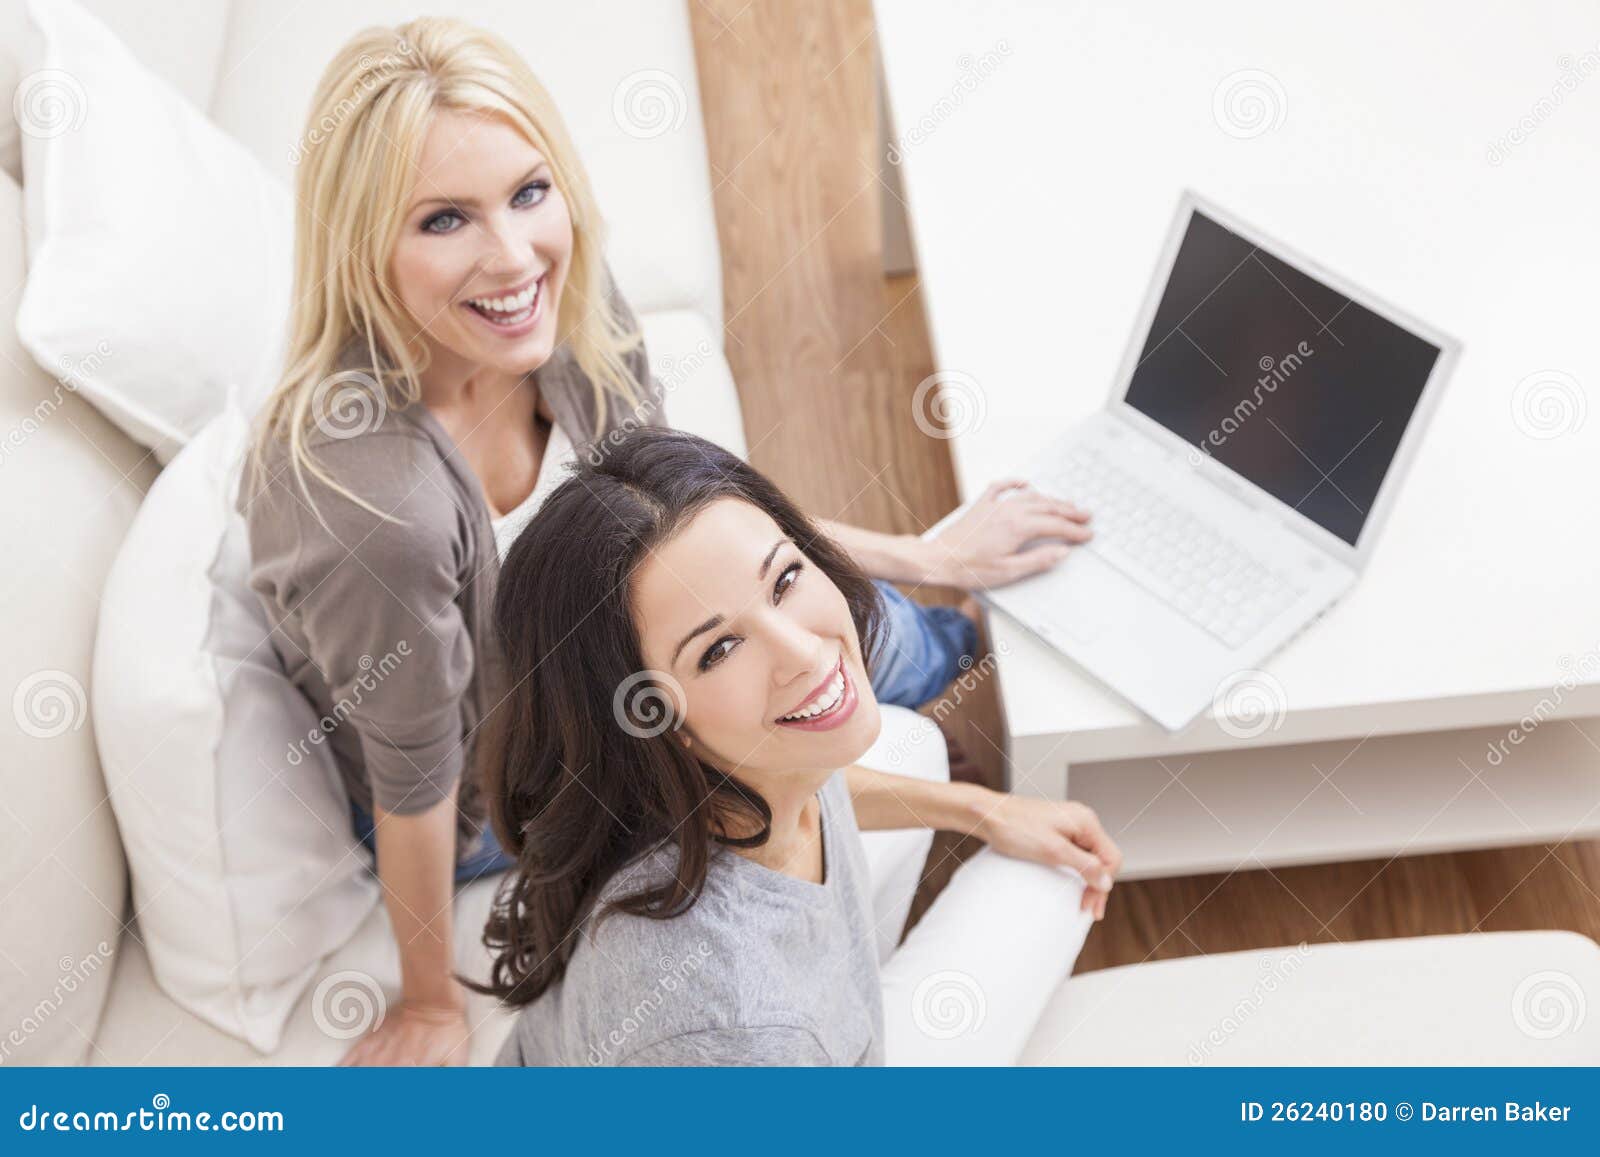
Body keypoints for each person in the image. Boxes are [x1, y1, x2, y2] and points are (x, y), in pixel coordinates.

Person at [238, 16, 1092, 1066]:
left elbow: (690, 532)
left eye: (528, 192)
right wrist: (428, 1000)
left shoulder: (557, 318)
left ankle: (953, 665)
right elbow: (414, 776)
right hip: (489, 771)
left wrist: (933, 552)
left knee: (881, 642)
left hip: (630, 651)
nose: (513, 256)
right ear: (362, 242)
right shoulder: (381, 514)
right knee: (833, 686)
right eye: (444, 219)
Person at [472, 428, 1121, 1065]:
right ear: (651, 717)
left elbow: (826, 788)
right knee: (1062, 876)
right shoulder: (729, 1033)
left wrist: (983, 809)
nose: (805, 653)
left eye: (783, 578)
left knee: (913, 741)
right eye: (718, 649)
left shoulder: (717, 772)